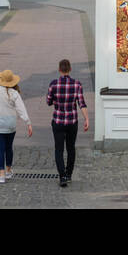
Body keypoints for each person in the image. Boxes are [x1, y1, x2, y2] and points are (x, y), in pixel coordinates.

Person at [45, 58, 88, 187]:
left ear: (59, 70)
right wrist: (87, 118)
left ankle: (62, 176)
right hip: (72, 122)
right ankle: (69, 174)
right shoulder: (77, 84)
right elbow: (82, 103)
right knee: (70, 148)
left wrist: (56, 100)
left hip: (58, 121)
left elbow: (48, 102)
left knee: (59, 149)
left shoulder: (53, 84)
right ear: (70, 69)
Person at [0, 70, 32, 183]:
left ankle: (1, 175)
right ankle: (9, 171)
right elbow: (21, 109)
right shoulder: (15, 93)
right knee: (9, 148)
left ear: (1, 80)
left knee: (0, 149)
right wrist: (28, 123)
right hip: (11, 125)